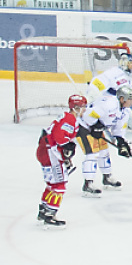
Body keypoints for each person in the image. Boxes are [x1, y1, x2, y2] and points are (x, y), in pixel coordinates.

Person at [35, 94, 86, 226]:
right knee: (59, 184)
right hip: (50, 154)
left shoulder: (67, 117)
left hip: (46, 151)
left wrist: (66, 155)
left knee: (52, 184)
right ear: (76, 108)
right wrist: (67, 147)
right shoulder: (69, 119)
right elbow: (59, 137)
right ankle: (50, 214)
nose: (85, 109)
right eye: (83, 107)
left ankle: (44, 210)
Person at [76, 84, 132, 196]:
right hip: (83, 127)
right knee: (92, 154)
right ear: (122, 99)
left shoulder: (125, 112)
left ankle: (107, 178)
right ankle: (88, 184)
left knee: (104, 152)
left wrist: (121, 142)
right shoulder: (108, 105)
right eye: (130, 99)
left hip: (97, 129)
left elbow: (118, 129)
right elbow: (87, 114)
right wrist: (95, 125)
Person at [87, 50, 132, 133]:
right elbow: (97, 83)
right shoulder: (113, 73)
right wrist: (91, 98)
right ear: (125, 63)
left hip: (125, 100)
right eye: (131, 63)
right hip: (115, 103)